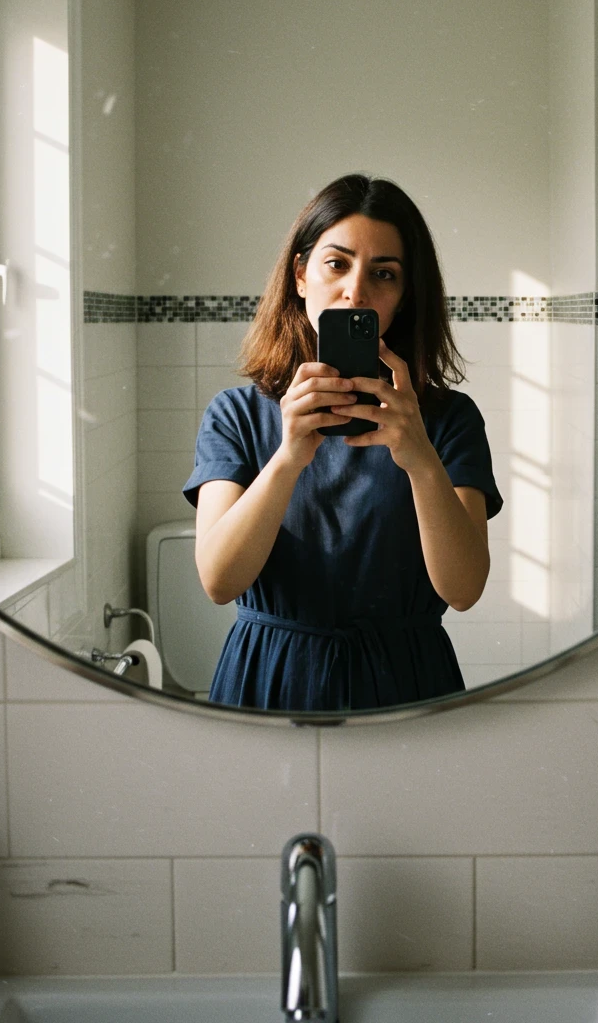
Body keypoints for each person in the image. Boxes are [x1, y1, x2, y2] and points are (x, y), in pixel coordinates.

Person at [182, 174, 502, 711]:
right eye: (337, 263)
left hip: (405, 683)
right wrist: (287, 459)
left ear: (404, 297)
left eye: (384, 274)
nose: (356, 290)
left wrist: (420, 457)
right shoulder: (235, 416)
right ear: (301, 275)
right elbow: (219, 581)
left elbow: (463, 590)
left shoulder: (448, 421)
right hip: (269, 677)